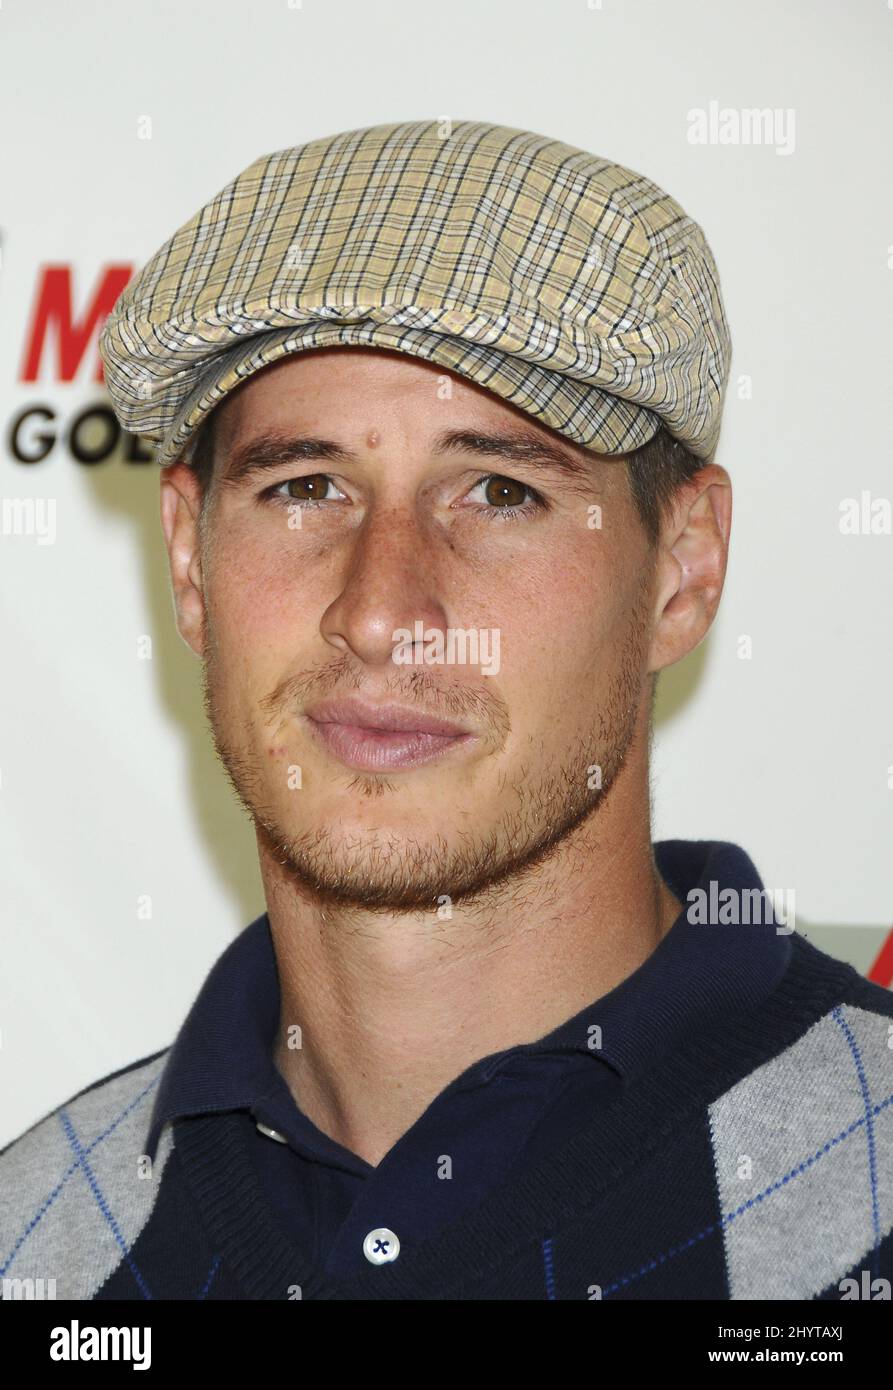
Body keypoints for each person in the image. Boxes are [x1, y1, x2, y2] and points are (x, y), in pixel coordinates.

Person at [2, 119, 890, 1303]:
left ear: (680, 567)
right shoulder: (40, 1245)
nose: (380, 612)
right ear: (191, 560)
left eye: (501, 491)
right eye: (305, 486)